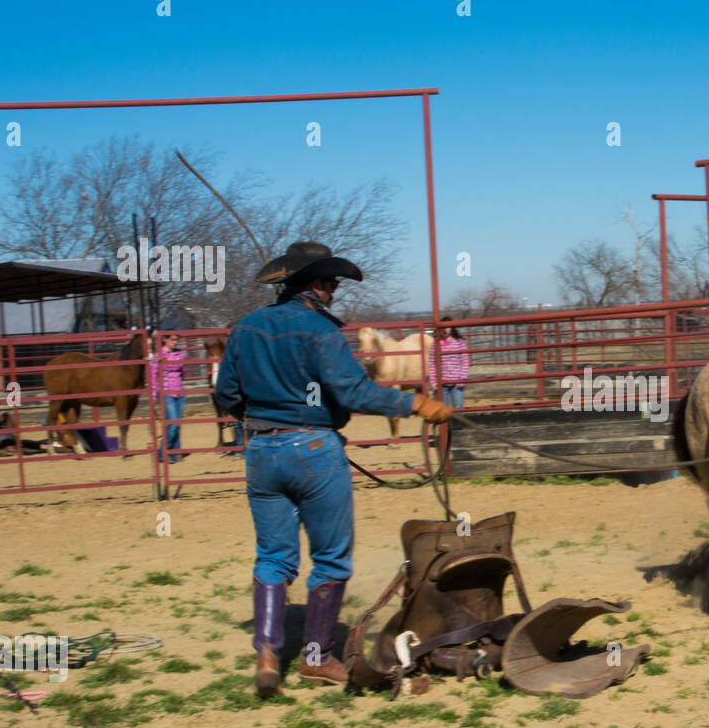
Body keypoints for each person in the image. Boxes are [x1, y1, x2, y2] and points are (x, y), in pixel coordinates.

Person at [214, 241, 453, 697]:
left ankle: (267, 654)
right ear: (318, 285)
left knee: (273, 557)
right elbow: (353, 393)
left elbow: (226, 396)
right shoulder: (319, 331)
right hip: (315, 451)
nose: (335, 293)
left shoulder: (246, 328)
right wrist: (415, 403)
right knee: (330, 558)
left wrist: (267, 412)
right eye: (333, 284)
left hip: (261, 451)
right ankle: (316, 657)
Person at [150, 332, 189, 463]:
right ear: (165, 340)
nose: (175, 342)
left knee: (176, 423)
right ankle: (163, 452)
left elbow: (183, 371)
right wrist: (154, 393)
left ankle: (175, 452)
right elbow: (153, 375)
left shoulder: (180, 354)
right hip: (166, 392)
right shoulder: (159, 355)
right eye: (172, 340)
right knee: (172, 423)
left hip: (179, 392)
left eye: (176, 340)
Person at [428, 315, 470, 407]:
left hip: (456, 382)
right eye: (442, 327)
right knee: (443, 412)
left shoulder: (459, 342)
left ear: (451, 328)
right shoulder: (435, 345)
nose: (445, 329)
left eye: (447, 327)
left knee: (458, 409)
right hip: (442, 383)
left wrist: (462, 379)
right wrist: (433, 381)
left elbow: (465, 362)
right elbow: (432, 364)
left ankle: (457, 422)